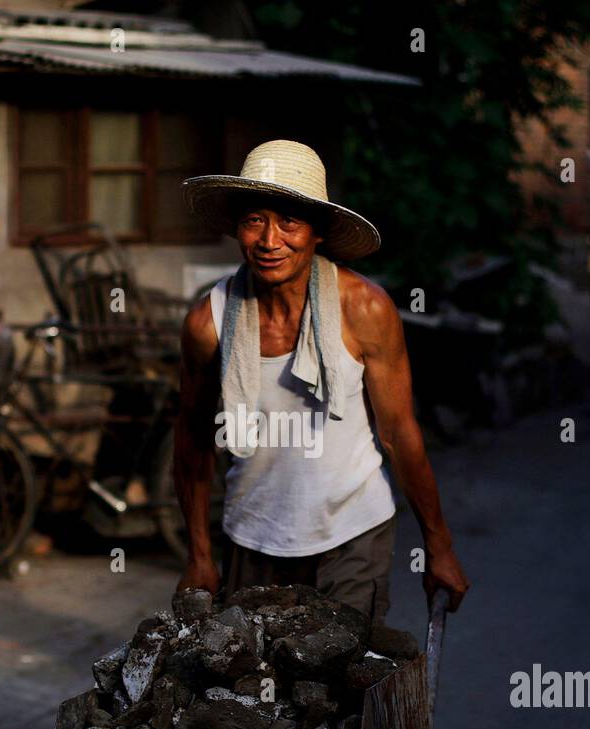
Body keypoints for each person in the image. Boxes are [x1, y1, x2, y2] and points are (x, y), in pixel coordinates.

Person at [175, 140, 468, 622]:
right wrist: (200, 555)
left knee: (338, 682)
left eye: (289, 221)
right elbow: (191, 441)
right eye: (255, 220)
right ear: (237, 229)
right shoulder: (208, 325)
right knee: (256, 689)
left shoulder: (365, 310)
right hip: (253, 536)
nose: (271, 241)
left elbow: (399, 434)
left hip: (354, 533)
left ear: (317, 233)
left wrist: (440, 548)